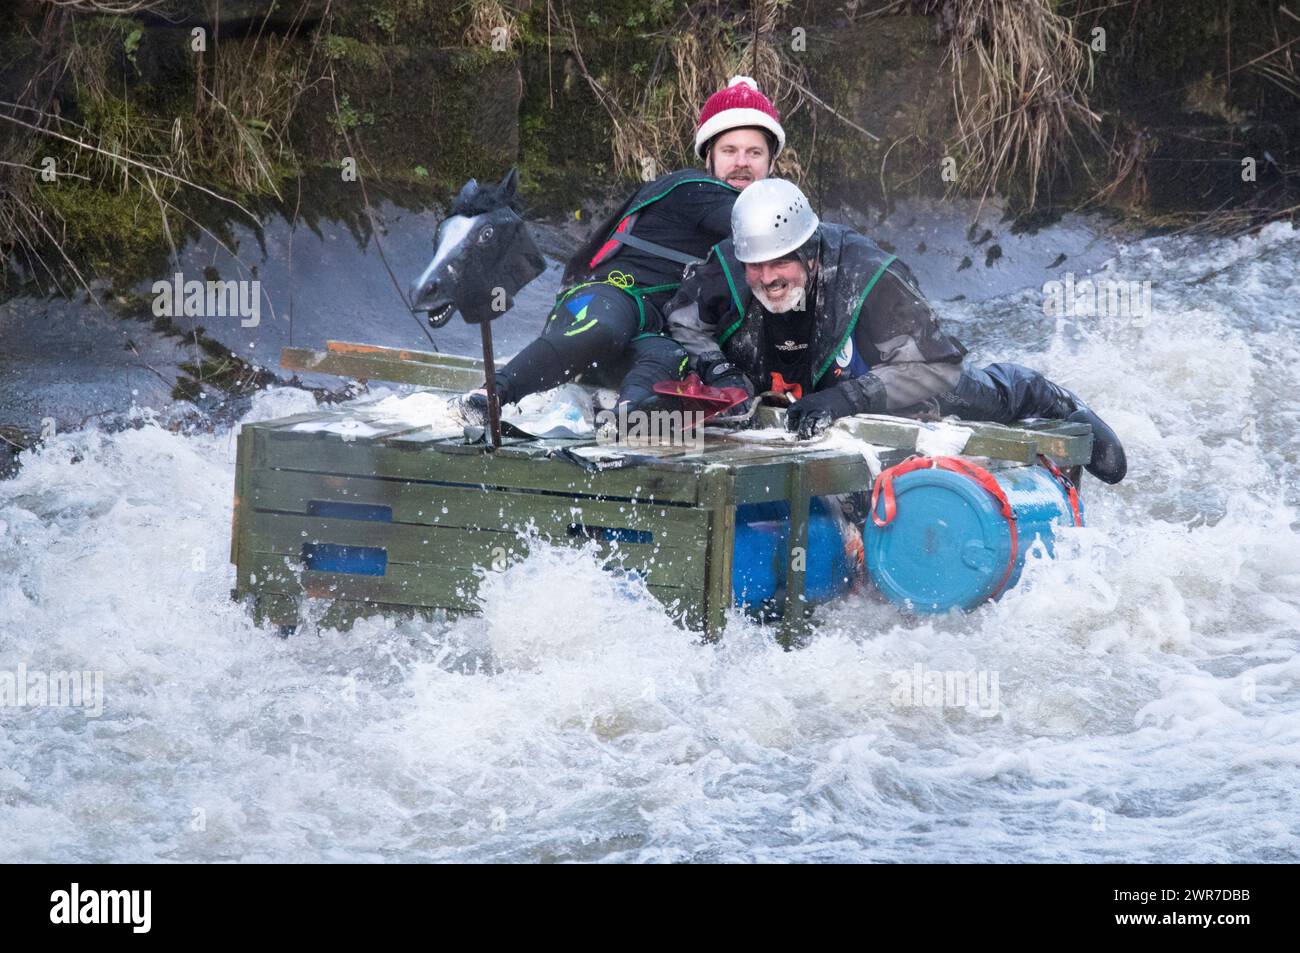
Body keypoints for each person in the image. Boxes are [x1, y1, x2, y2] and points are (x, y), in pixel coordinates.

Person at [665, 179, 1127, 483]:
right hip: (793, 380)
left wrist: (846, 399)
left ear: (809, 252)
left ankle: (1037, 391)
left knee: (971, 398)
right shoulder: (726, 266)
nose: (767, 278)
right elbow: (681, 324)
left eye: (781, 263)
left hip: (879, 373)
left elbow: (934, 369)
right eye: (756, 267)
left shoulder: (870, 273)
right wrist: (720, 369)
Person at [454, 76, 785, 423]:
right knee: (606, 328)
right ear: (709, 159)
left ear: (771, 163)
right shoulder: (696, 189)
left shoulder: (764, 224)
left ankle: (626, 423)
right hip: (606, 301)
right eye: (729, 151)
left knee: (670, 359)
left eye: (755, 152)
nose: (741, 163)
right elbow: (774, 230)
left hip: (651, 333)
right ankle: (489, 396)